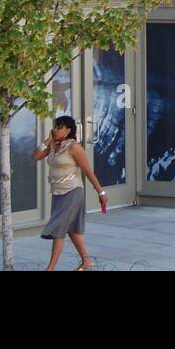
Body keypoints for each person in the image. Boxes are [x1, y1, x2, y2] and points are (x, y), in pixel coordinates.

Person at [33, 115, 106, 271]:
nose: (55, 129)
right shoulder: (53, 145)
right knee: (72, 230)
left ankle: (50, 268)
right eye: (55, 126)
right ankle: (86, 261)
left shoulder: (74, 147)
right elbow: (36, 157)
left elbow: (87, 171)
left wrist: (100, 191)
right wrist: (47, 141)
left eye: (59, 127)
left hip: (73, 191)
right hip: (57, 193)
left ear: (68, 131)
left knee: (59, 229)